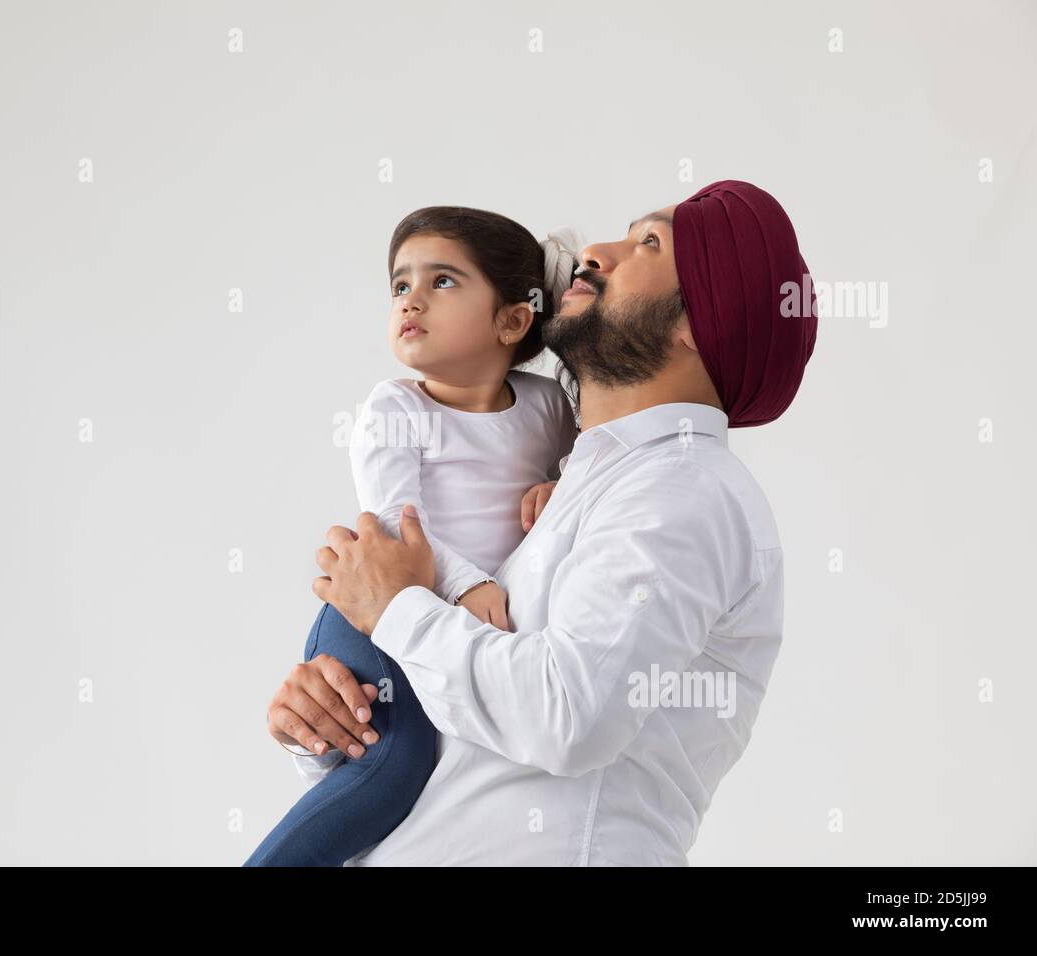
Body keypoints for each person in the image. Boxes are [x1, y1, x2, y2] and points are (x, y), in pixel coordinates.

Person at [274, 180, 819, 865]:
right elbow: (469, 753)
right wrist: (337, 729)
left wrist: (395, 610)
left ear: (699, 318)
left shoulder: (685, 487)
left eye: (647, 243)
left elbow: (569, 716)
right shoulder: (564, 486)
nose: (595, 252)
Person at [244, 207, 582, 866]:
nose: (412, 300)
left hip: (432, 620)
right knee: (391, 770)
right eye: (400, 285)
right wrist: (469, 585)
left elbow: (590, 464)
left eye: (443, 282)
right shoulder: (396, 409)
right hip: (367, 619)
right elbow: (398, 527)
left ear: (512, 320)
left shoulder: (547, 407)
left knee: (419, 777)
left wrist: (559, 486)